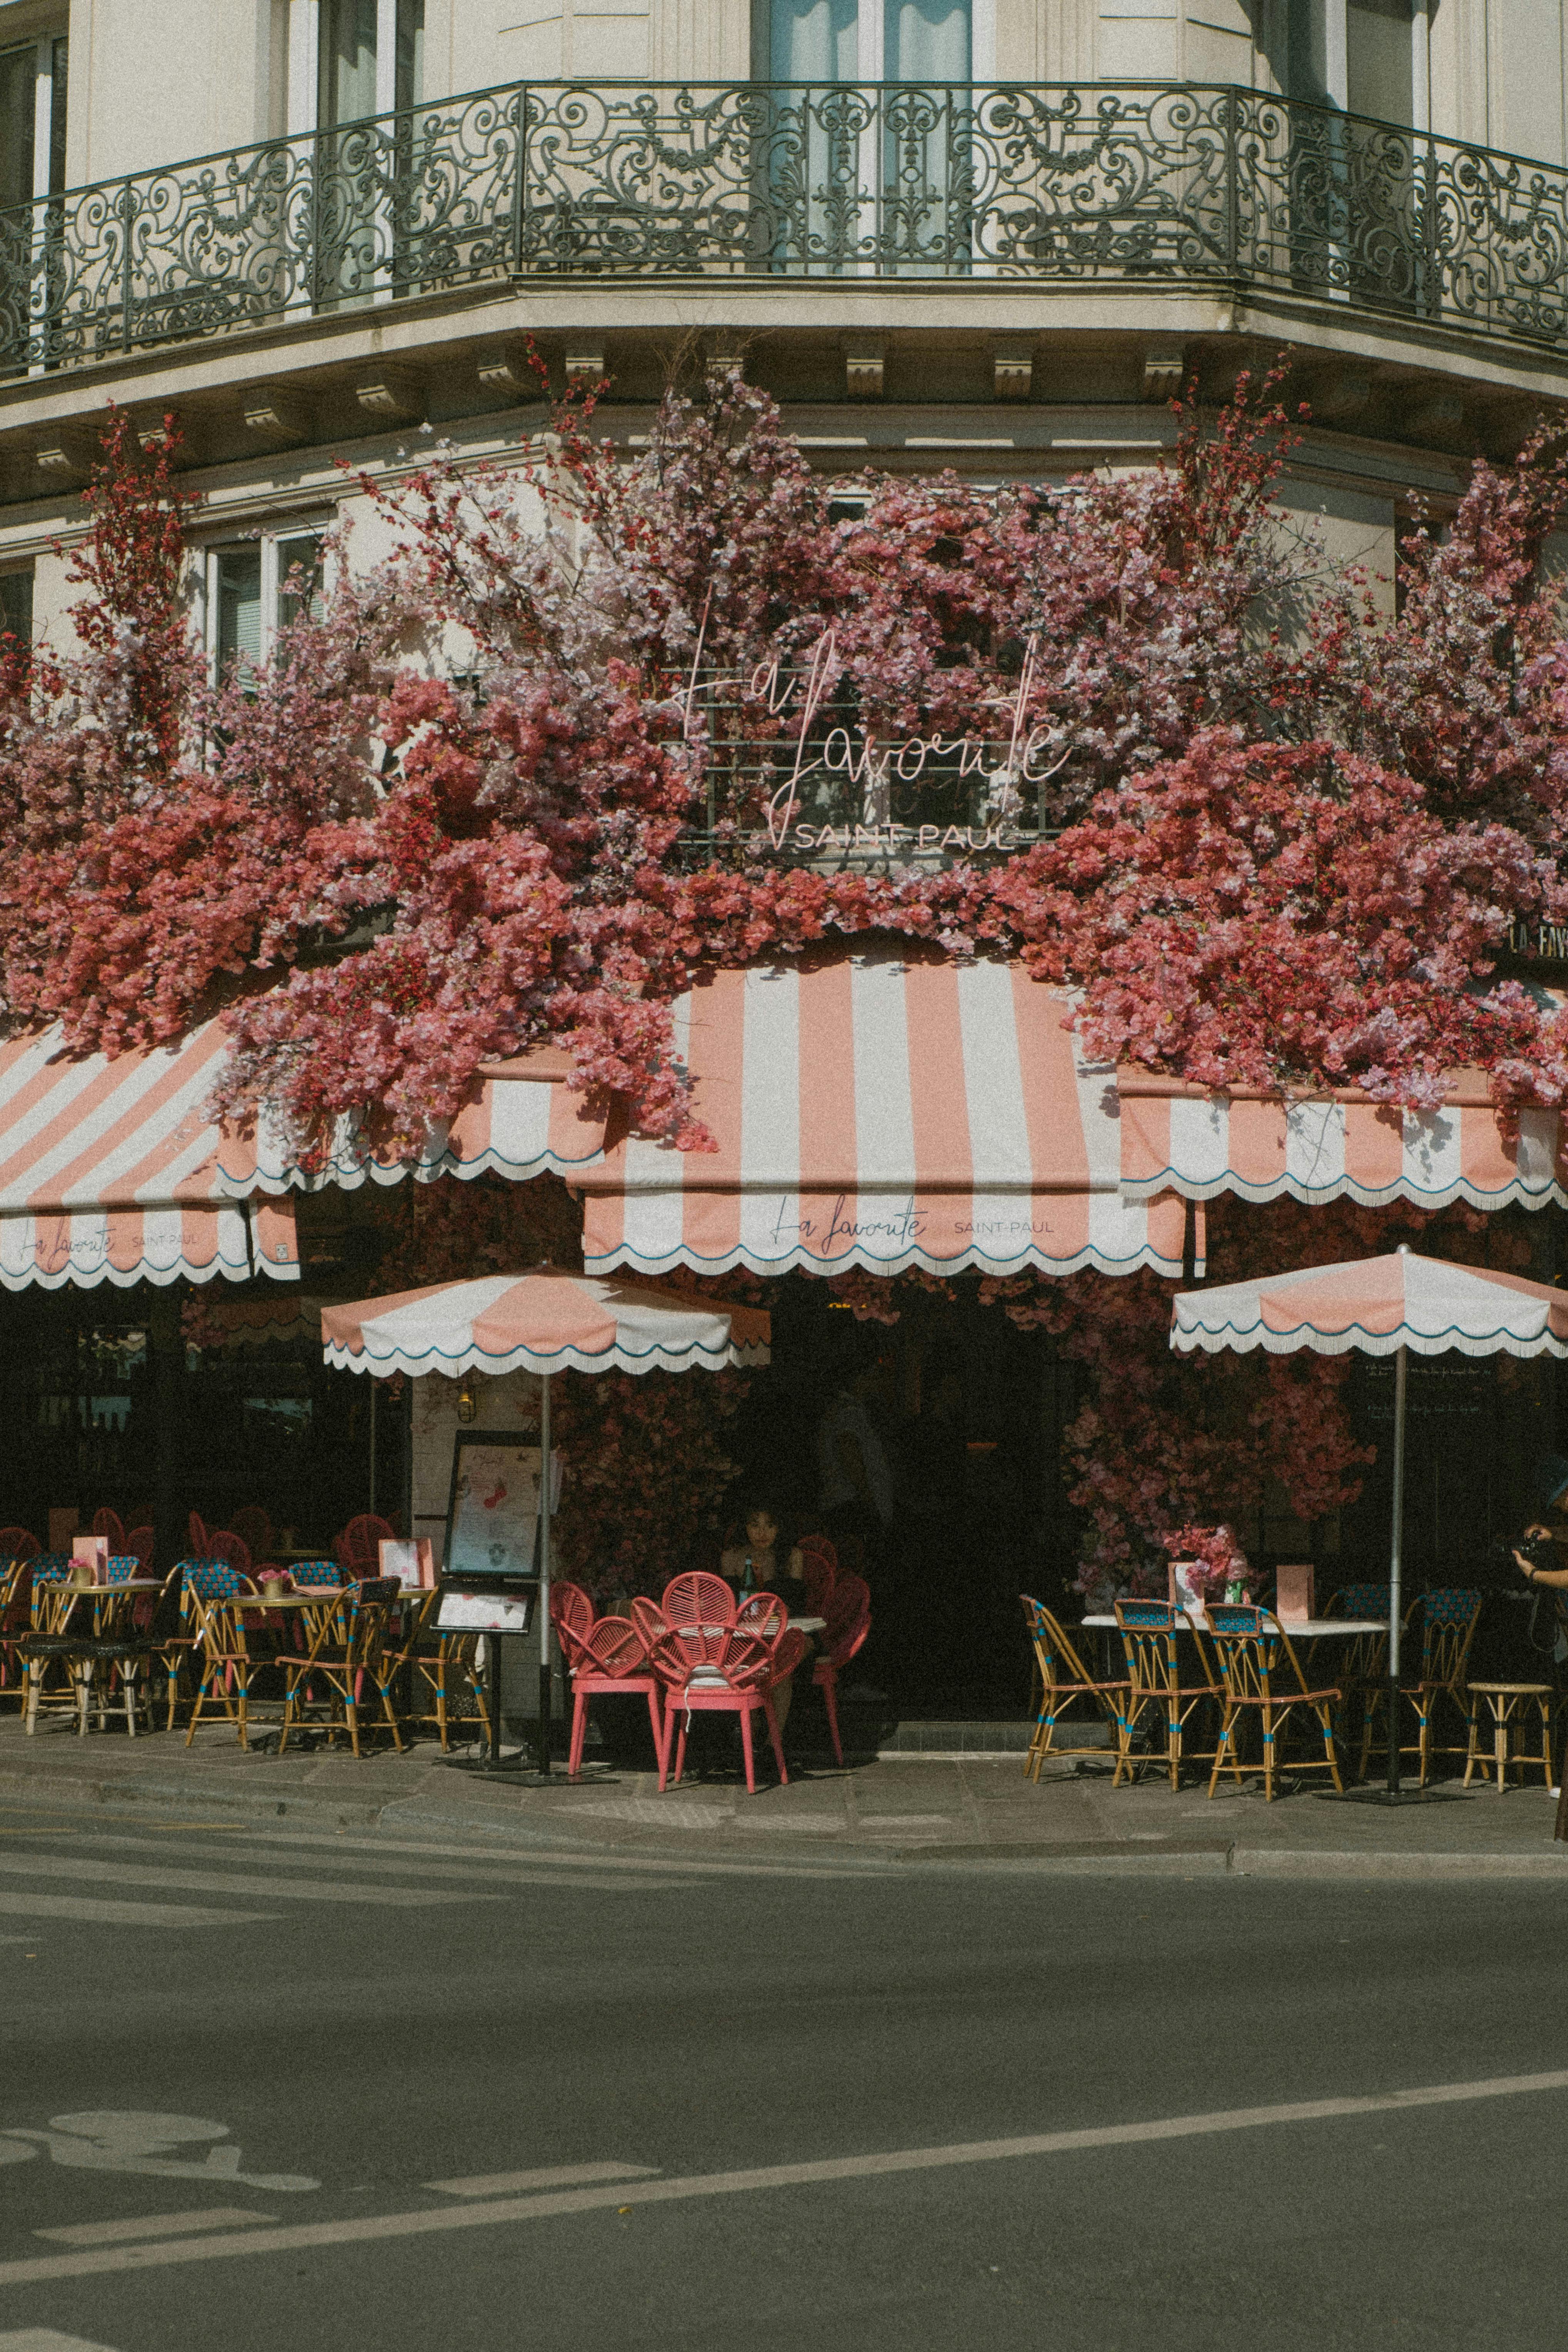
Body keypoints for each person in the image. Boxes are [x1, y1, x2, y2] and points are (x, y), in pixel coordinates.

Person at [720, 1495, 810, 1735]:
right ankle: (754, 1736)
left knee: (780, 1665)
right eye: (755, 1524)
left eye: (770, 1525)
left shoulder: (792, 1556)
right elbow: (726, 1604)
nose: (762, 1532)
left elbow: (795, 1605)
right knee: (748, 1664)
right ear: (744, 1527)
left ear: (780, 1528)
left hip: (788, 1632)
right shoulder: (733, 1556)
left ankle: (773, 1743)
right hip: (746, 1636)